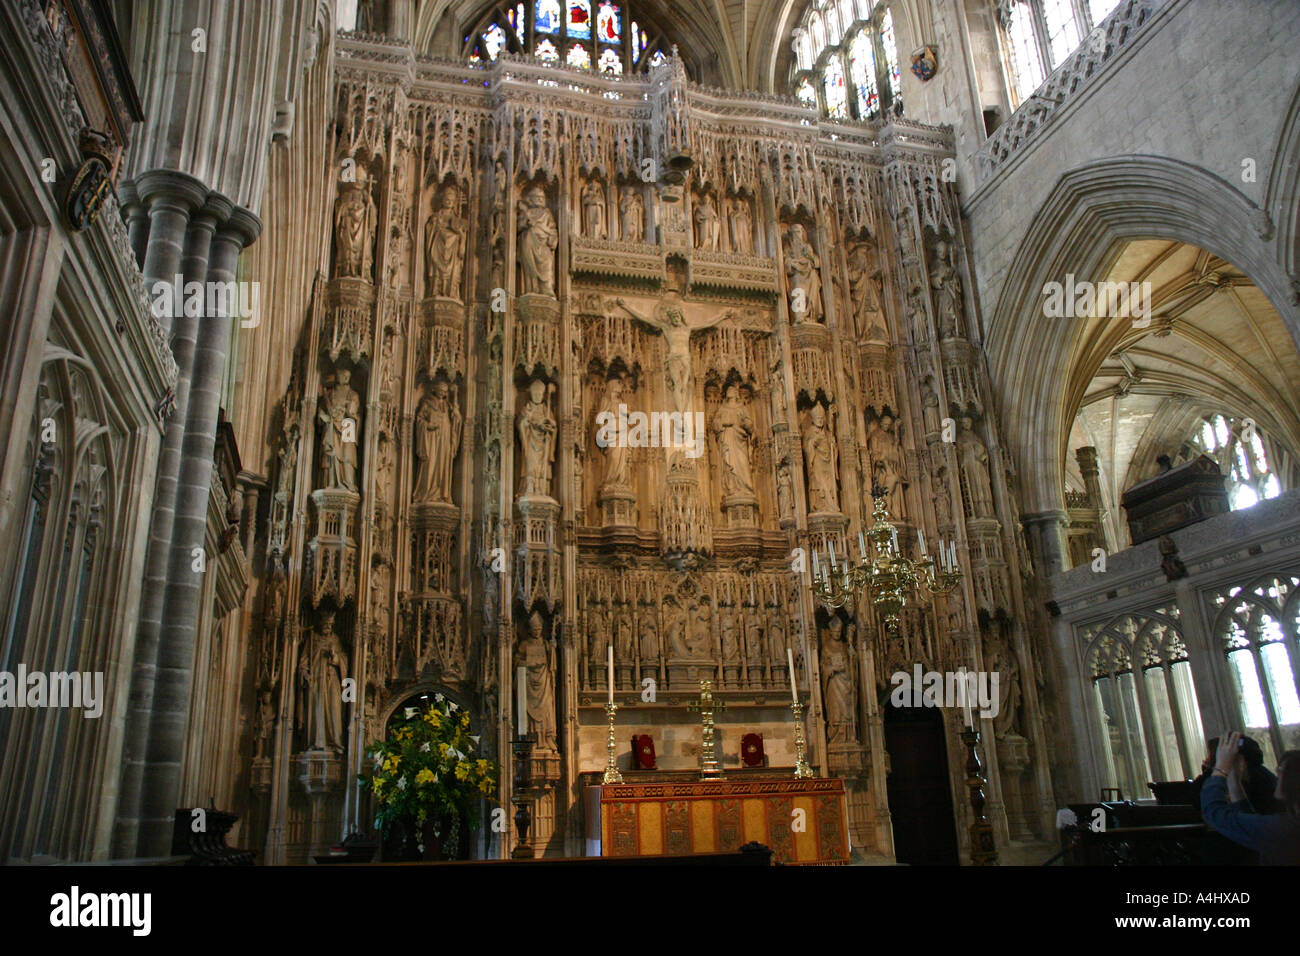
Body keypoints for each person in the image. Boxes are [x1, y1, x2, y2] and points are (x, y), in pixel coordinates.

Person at [1199, 731, 1300, 865]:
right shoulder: (1288, 824)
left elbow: (1215, 813)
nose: (1276, 772)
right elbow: (1253, 825)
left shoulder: (1286, 828)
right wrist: (1233, 780)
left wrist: (1220, 768)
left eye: (1281, 770)